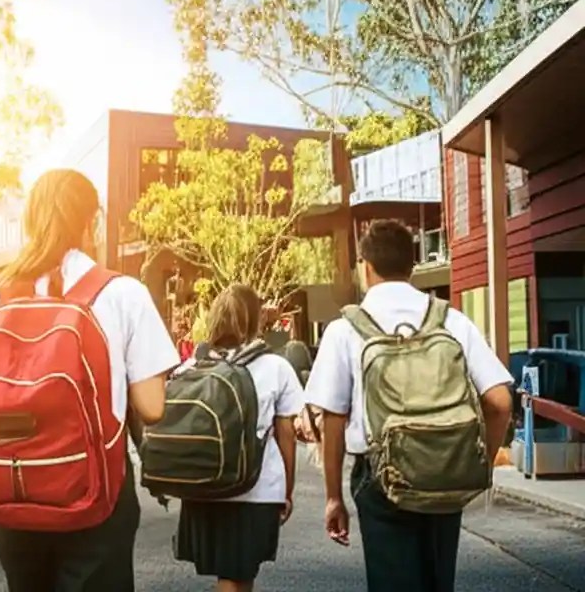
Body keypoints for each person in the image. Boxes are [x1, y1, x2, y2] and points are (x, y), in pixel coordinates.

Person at [0, 169, 180, 592]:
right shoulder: (121, 293)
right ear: (92, 221)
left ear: (31, 221)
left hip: (12, 490)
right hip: (93, 492)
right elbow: (152, 407)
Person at [305, 219, 515, 592]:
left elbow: (332, 420)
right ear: (412, 267)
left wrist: (334, 498)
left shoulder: (345, 329)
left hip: (380, 475)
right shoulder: (451, 320)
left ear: (364, 267)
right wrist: (478, 466)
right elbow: (499, 402)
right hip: (446, 467)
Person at [173, 284, 304, 592]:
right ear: (254, 320)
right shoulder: (275, 367)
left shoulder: (191, 367)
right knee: (237, 577)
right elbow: (287, 434)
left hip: (203, 487)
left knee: (230, 576)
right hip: (254, 489)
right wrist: (286, 490)